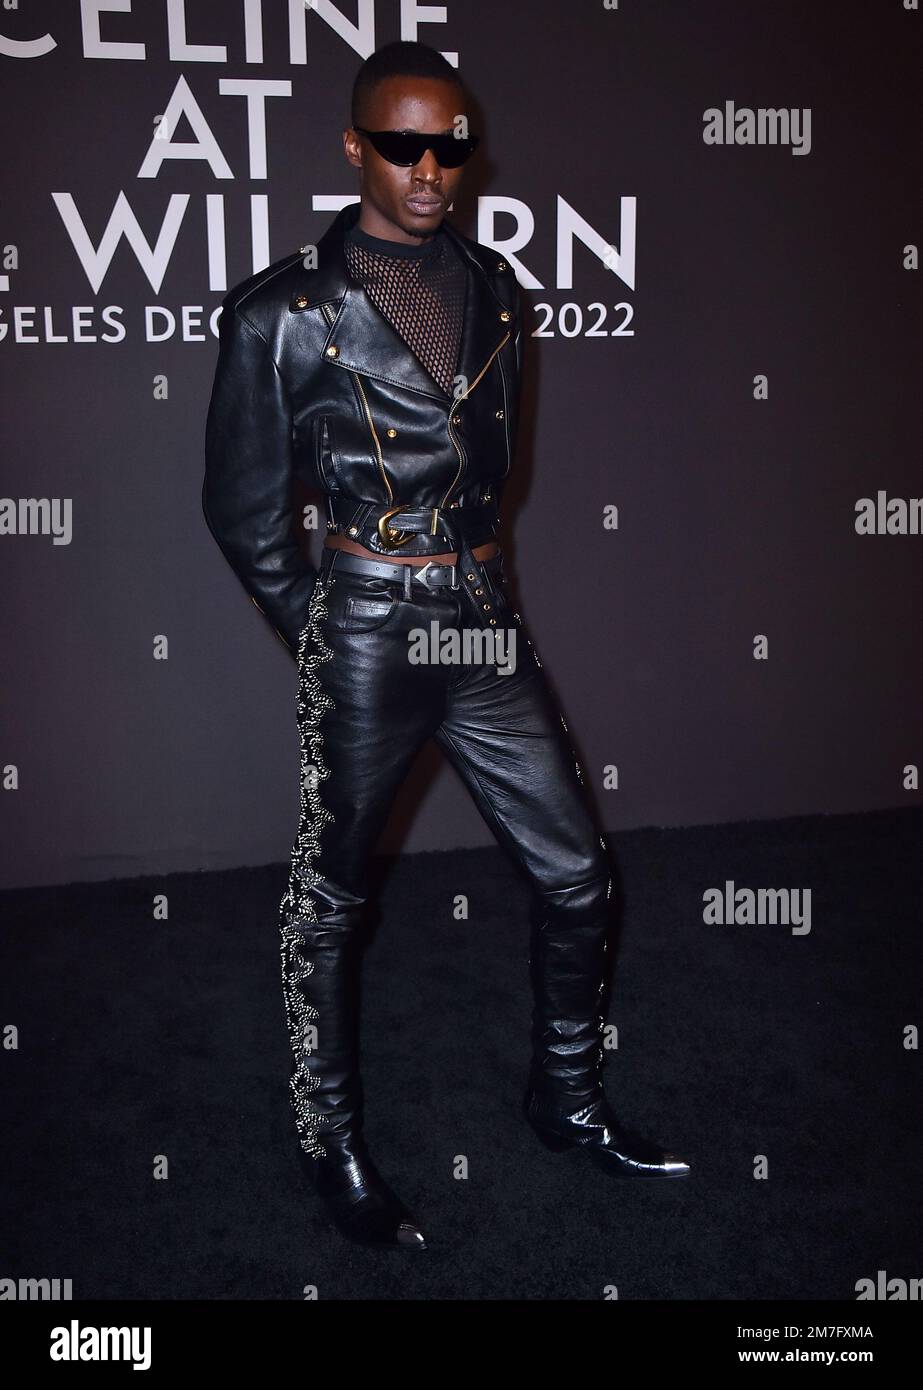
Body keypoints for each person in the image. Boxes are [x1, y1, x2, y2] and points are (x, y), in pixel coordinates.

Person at [203, 39, 690, 1252]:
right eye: (403, 144)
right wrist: (323, 630)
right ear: (355, 148)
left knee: (578, 873)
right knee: (331, 903)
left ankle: (563, 1098)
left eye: (450, 146)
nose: (430, 168)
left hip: (480, 616)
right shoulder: (282, 315)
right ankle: (333, 1145)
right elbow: (245, 512)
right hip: (368, 623)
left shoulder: (495, 286)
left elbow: (495, 463)